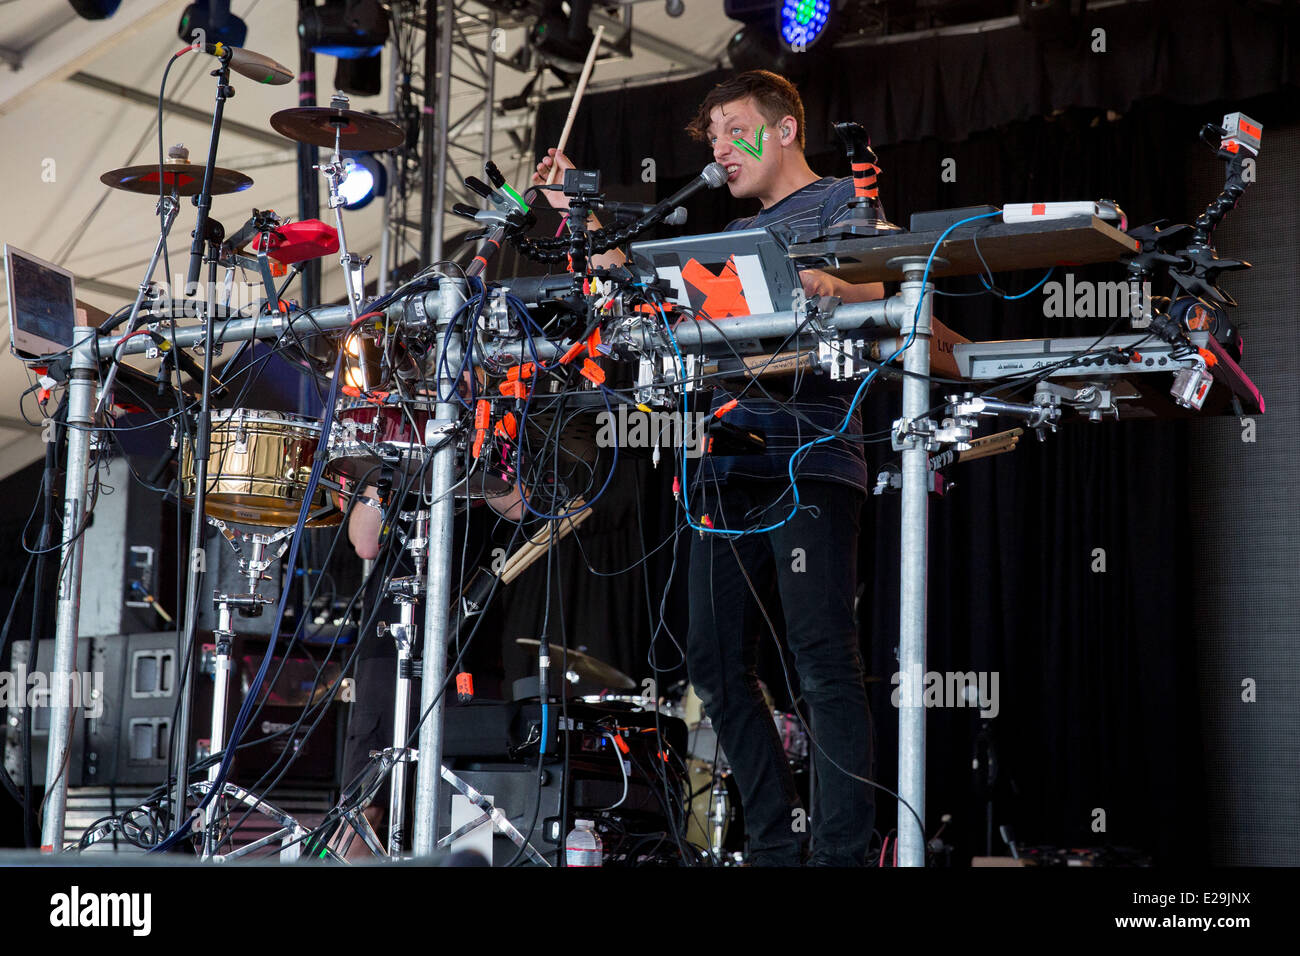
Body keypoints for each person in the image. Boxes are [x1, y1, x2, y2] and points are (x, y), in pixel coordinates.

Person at [533, 70, 879, 866]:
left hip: (811, 459)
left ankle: (841, 853)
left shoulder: (838, 201)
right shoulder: (728, 237)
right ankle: (773, 846)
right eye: (714, 137)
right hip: (723, 462)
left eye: (734, 130)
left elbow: (877, 280)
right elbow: (635, 289)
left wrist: (831, 282)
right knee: (716, 669)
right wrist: (572, 213)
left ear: (785, 128)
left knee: (823, 662)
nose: (721, 149)